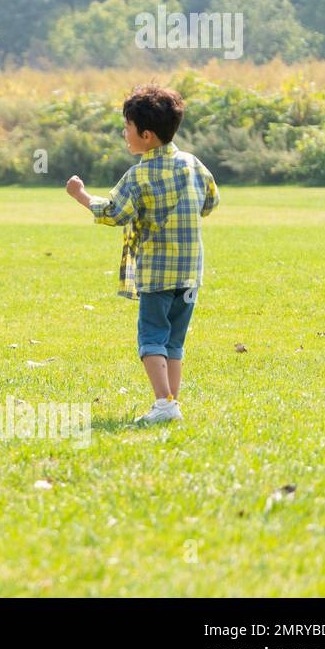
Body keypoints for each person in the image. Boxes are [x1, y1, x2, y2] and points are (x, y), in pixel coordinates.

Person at [65, 84, 219, 424]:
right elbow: (211, 201)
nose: (124, 133)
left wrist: (82, 196)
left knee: (151, 339)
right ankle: (171, 404)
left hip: (156, 275)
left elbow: (113, 214)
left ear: (146, 135)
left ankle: (164, 404)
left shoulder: (138, 176)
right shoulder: (193, 165)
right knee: (174, 342)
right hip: (191, 273)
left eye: (127, 128)